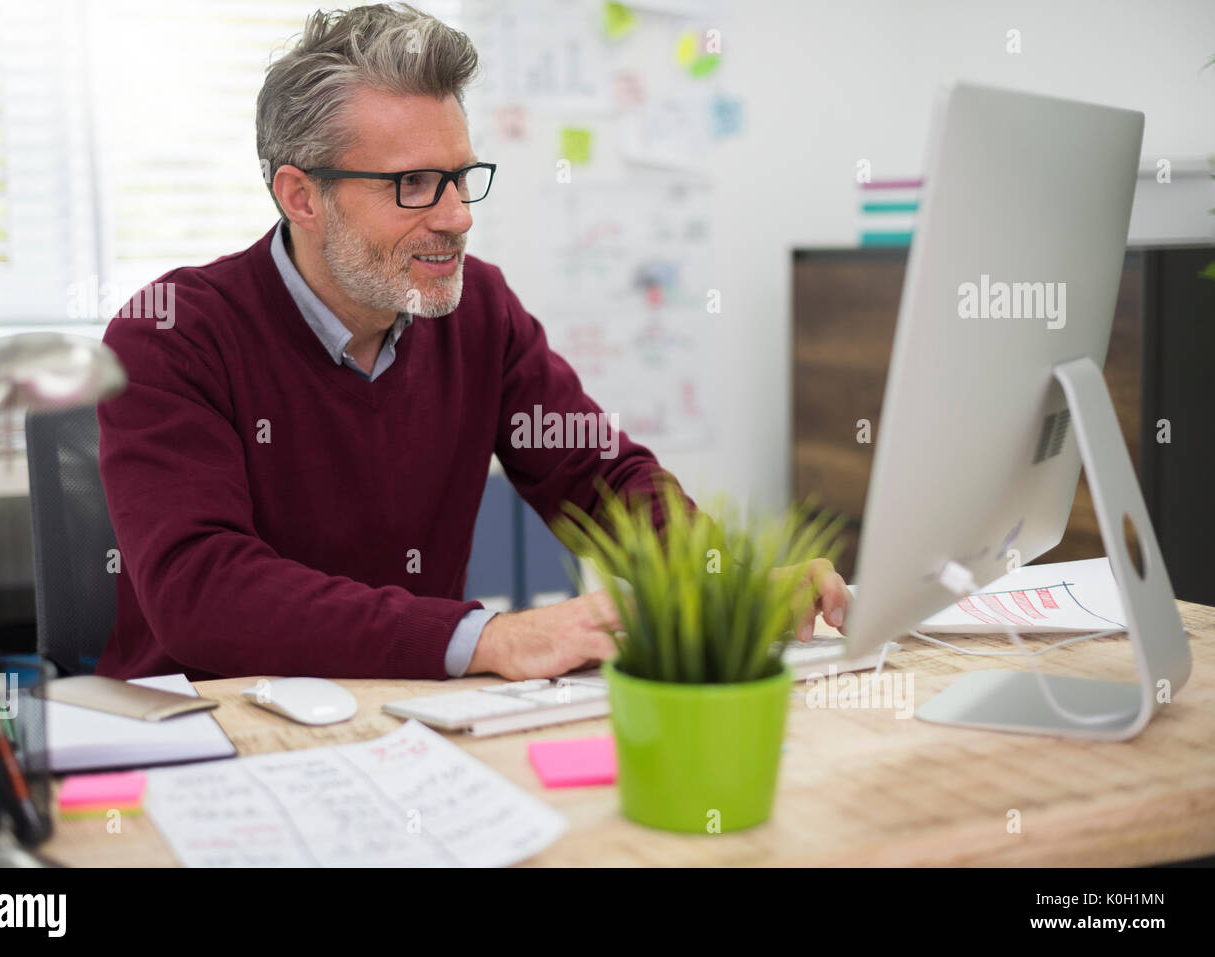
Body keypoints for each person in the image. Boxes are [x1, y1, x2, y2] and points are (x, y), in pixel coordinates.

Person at [95, 3, 850, 682]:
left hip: (415, 718)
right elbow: (203, 590)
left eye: (461, 177)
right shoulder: (170, 334)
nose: (457, 215)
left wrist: (729, 583)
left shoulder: (477, 308)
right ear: (302, 197)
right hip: (211, 731)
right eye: (414, 184)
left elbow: (598, 477)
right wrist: (484, 637)